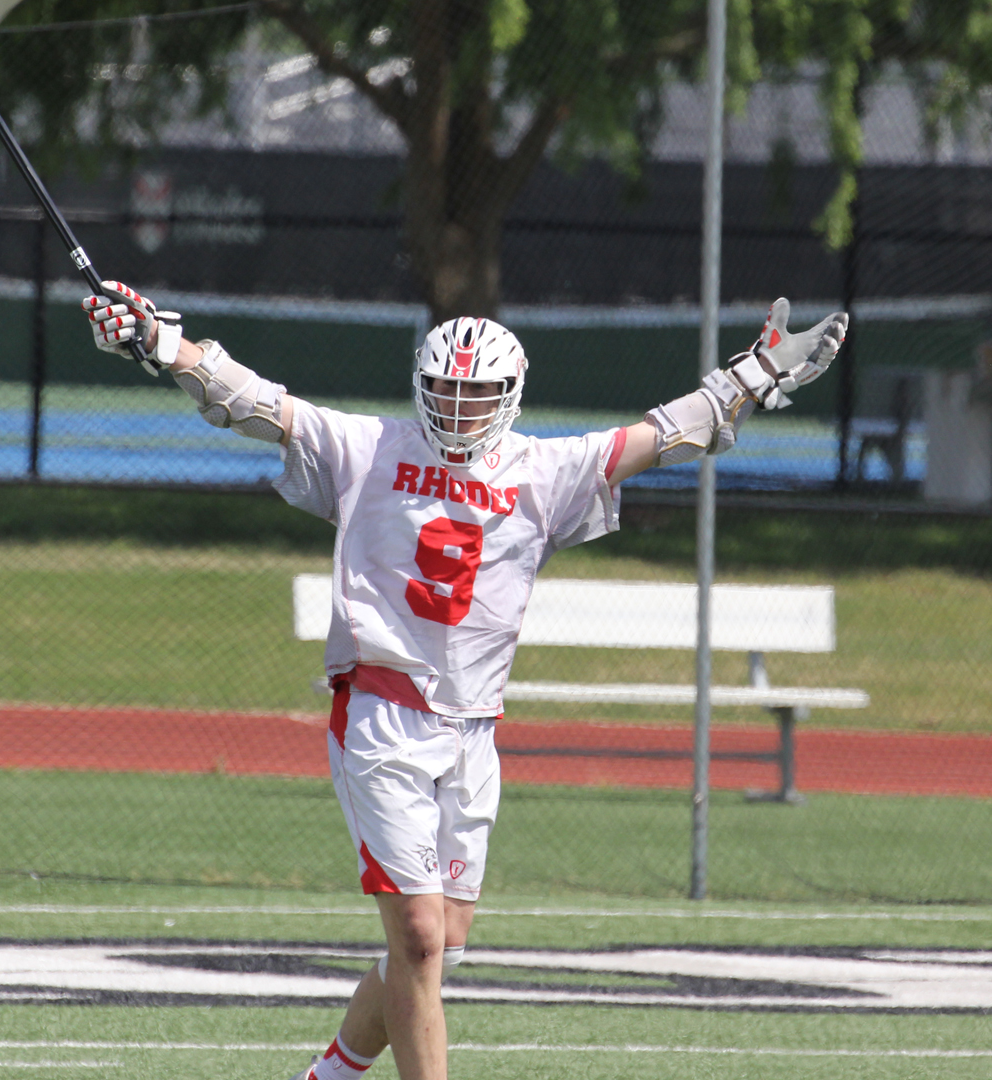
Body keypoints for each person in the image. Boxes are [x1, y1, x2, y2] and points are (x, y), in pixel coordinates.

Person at [82, 282, 848, 1080]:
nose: (459, 405)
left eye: (477, 391)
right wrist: (164, 345)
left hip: (474, 728)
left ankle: (331, 1073)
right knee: (414, 937)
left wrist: (753, 377)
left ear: (509, 394)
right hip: (384, 711)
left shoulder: (544, 470)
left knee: (440, 942)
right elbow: (255, 401)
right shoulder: (367, 446)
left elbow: (666, 434)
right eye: (446, 388)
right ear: (421, 383)